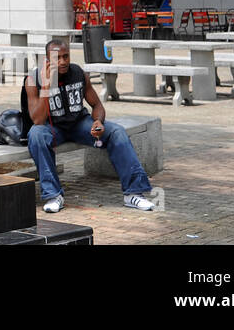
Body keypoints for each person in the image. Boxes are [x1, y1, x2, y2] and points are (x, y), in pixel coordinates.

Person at [25, 40, 157, 213]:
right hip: (53, 128)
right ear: (48, 60)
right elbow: (38, 120)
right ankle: (53, 195)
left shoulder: (78, 73)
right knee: (36, 135)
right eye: (58, 58)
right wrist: (47, 86)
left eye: (66, 56)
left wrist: (98, 122)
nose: (63, 62)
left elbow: (97, 106)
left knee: (117, 131)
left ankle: (133, 194)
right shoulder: (33, 80)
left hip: (80, 124)